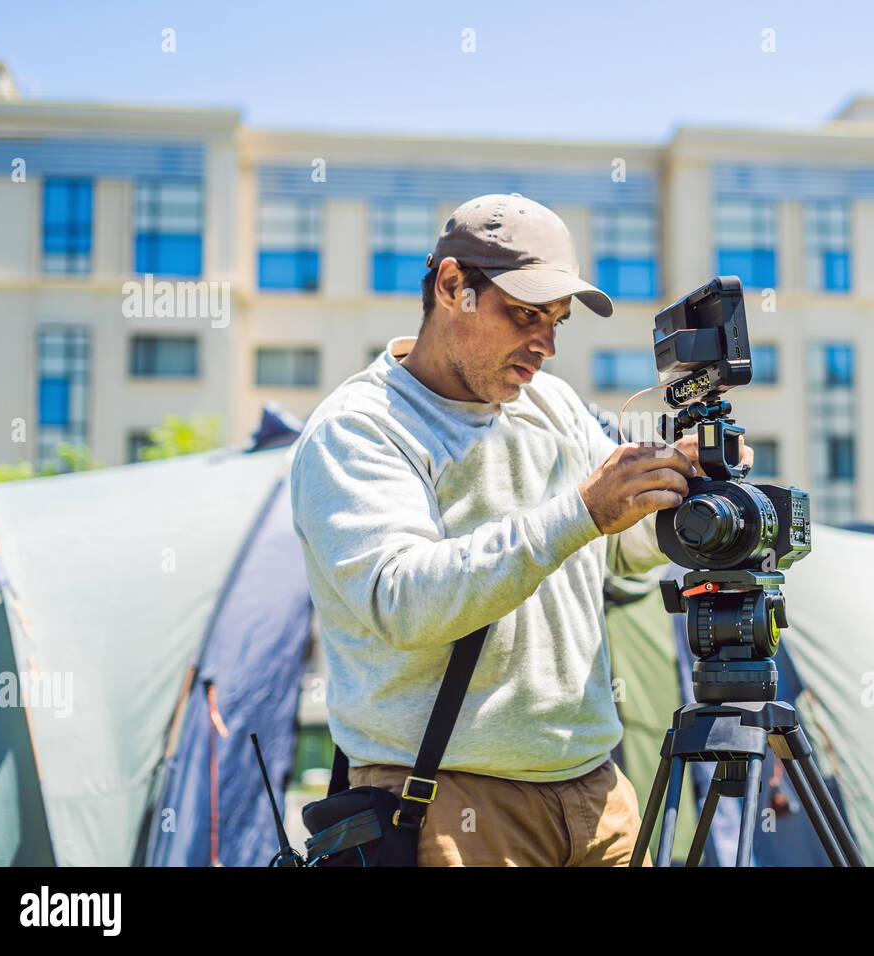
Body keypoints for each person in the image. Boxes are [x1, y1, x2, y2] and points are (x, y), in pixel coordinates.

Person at [289, 193, 750, 866]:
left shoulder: (552, 401)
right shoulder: (360, 426)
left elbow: (615, 551)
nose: (546, 343)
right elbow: (402, 600)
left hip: (598, 792)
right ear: (452, 287)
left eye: (557, 321)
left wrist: (671, 497)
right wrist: (585, 509)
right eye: (527, 314)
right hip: (449, 802)